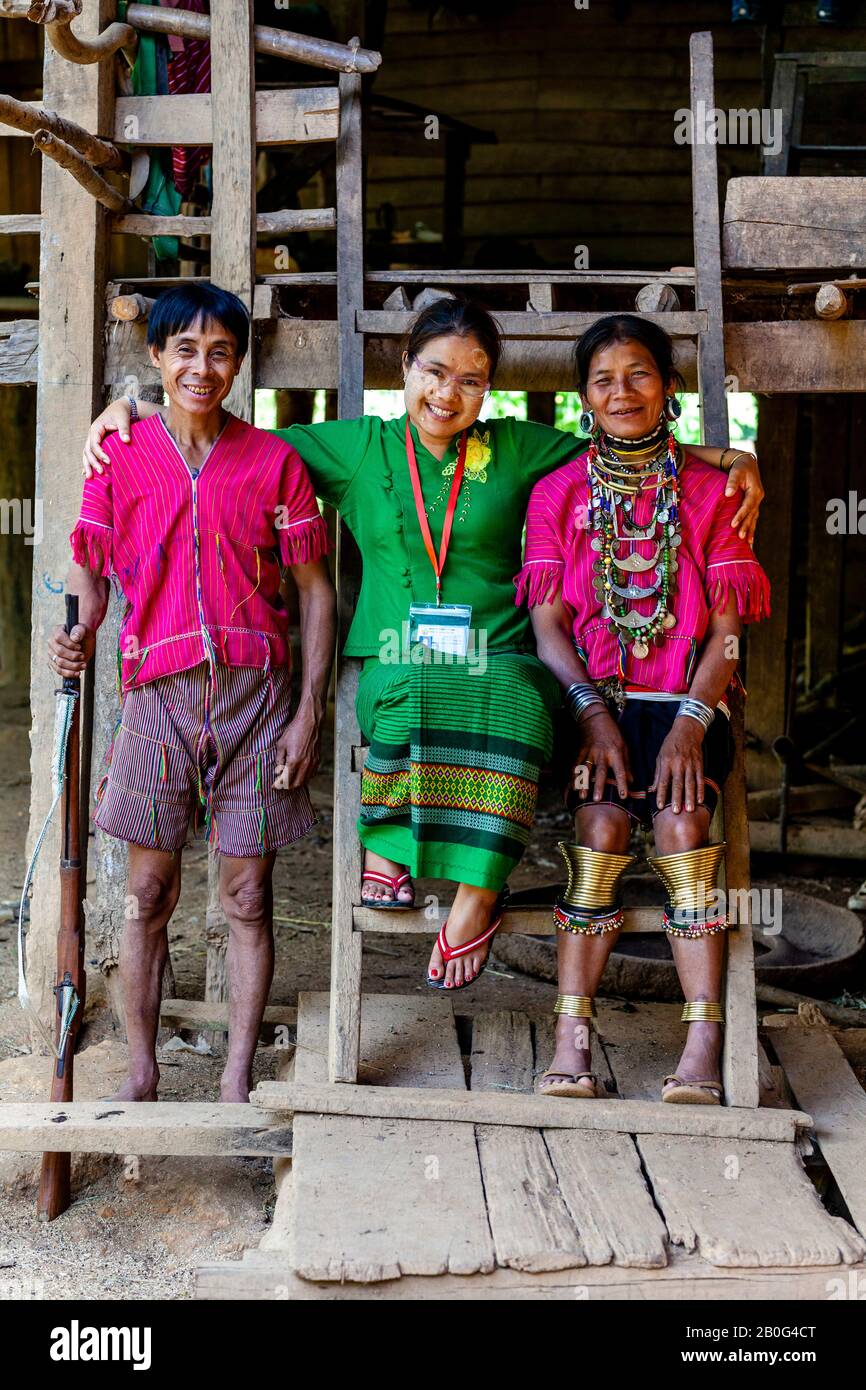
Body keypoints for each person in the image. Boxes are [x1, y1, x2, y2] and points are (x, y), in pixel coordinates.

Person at [82, 297, 764, 991]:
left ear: (488, 388)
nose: (448, 393)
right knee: (414, 680)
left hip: (498, 656)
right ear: (406, 366)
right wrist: (131, 410)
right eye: (434, 372)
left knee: (523, 700)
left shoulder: (517, 448)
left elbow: (621, 445)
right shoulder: (358, 448)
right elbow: (226, 436)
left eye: (471, 380)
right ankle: (391, 841)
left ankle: (477, 894)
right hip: (396, 656)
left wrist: (729, 456)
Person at [50, 283, 336, 1102]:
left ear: (239, 363)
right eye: (185, 350)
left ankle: (238, 1075)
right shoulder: (120, 455)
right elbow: (92, 574)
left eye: (219, 352)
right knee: (148, 892)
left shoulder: (273, 462)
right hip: (158, 696)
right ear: (157, 357)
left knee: (247, 895)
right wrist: (76, 629)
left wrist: (307, 709)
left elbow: (315, 591)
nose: (201, 368)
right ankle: (142, 1067)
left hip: (256, 700)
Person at [518, 313, 770, 1104]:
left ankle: (702, 1042)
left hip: (689, 700)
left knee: (685, 823)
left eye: (639, 375)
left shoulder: (712, 491)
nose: (621, 392)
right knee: (601, 827)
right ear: (582, 397)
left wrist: (694, 726)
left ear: (668, 388)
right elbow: (549, 626)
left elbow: (727, 634)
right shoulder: (556, 491)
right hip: (594, 698)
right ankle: (572, 1034)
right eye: (603, 379)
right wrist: (591, 714)